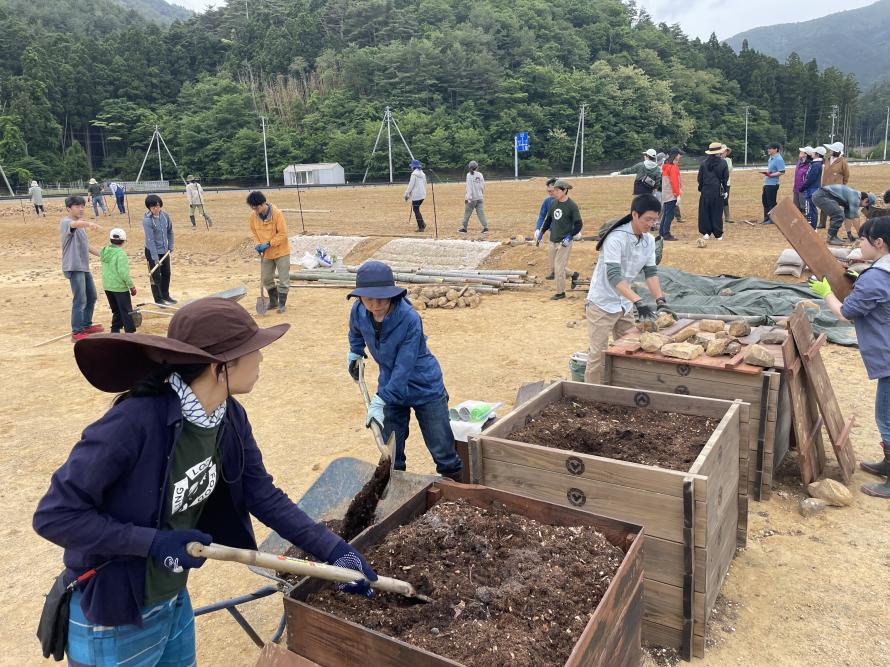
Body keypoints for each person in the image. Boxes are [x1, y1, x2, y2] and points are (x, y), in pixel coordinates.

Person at [33, 298, 378, 666]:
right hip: (116, 617)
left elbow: (262, 495)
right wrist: (154, 543)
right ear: (220, 366)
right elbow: (55, 516)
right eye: (253, 351)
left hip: (173, 601)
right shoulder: (133, 423)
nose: (260, 359)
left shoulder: (228, 417)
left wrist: (335, 552)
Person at [346, 261, 463, 480]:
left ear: (392, 294)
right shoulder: (359, 310)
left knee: (444, 452)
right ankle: (396, 494)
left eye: (381, 298)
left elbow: (404, 367)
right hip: (390, 386)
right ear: (360, 297)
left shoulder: (409, 318)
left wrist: (380, 400)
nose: (375, 305)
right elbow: (355, 331)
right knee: (392, 454)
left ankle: (458, 494)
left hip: (424, 387)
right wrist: (355, 352)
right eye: (369, 298)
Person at [808, 217, 890, 497]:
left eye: (862, 240)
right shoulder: (880, 272)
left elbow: (845, 313)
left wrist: (826, 293)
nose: (858, 245)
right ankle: (886, 465)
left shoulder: (878, 278)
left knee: (886, 417)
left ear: (878, 243)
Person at [583, 194, 668, 383]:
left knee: (629, 349)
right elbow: (613, 276)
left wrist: (660, 301)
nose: (652, 224)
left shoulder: (649, 241)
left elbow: (651, 273)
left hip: (624, 304)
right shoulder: (615, 238)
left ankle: (622, 390)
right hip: (602, 304)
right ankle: (590, 395)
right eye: (648, 219)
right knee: (598, 353)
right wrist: (638, 301)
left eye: (655, 219)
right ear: (635, 215)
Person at [61, 195, 104, 341]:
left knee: (91, 296)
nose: (81, 209)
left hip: (83, 266)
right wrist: (89, 224)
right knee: (80, 299)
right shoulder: (66, 222)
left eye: (83, 206)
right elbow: (73, 225)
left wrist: (103, 255)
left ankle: (86, 325)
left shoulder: (80, 225)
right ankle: (77, 331)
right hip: (74, 266)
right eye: (77, 206)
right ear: (68, 208)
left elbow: (87, 246)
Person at [537, 179, 583, 300]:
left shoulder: (572, 206)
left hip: (564, 241)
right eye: (554, 190)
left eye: (557, 190)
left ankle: (560, 292)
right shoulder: (553, 203)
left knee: (559, 268)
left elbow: (579, 224)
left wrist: (569, 236)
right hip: (553, 239)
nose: (554, 192)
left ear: (564, 191)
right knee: (553, 266)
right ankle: (574, 274)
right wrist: (541, 233)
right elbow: (548, 220)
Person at [247, 191, 291, 314]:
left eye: (256, 207)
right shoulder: (253, 216)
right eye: (252, 208)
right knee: (266, 278)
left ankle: (282, 304)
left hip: (281, 251)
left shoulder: (277, 214)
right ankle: (273, 301)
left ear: (263, 204)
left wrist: (269, 243)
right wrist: (257, 245)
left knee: (283, 279)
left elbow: (283, 234)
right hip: (266, 253)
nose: (255, 210)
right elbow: (254, 233)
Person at [100, 228, 138, 334]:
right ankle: (130, 333)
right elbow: (123, 273)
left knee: (116, 310)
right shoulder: (121, 254)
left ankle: (115, 330)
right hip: (120, 288)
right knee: (127, 311)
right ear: (124, 241)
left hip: (107, 286)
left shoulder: (104, 250)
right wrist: (131, 286)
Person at [811, 185, 876, 246]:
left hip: (821, 195)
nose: (861, 206)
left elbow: (848, 217)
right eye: (865, 205)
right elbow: (855, 218)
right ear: (866, 200)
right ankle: (831, 238)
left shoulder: (852, 198)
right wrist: (862, 236)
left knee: (840, 214)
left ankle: (833, 237)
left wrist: (849, 234)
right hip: (821, 196)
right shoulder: (855, 198)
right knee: (838, 214)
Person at [142, 194, 176, 305]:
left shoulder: (165, 216)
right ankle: (158, 299)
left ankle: (165, 295)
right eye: (153, 207)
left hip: (165, 251)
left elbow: (170, 231)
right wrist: (155, 257)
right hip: (152, 252)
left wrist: (170, 245)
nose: (156, 209)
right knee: (155, 276)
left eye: (158, 206)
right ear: (149, 208)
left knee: (167, 273)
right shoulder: (147, 221)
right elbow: (150, 240)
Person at [697, 141, 729, 241]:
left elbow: (700, 178)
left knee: (705, 211)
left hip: (706, 190)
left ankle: (706, 232)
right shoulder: (723, 162)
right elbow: (725, 178)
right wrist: (725, 190)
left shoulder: (703, 163)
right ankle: (718, 234)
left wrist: (701, 188)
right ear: (720, 152)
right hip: (717, 190)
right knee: (717, 212)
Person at [818, 141, 850, 229]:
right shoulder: (828, 159)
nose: (830, 151)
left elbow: (846, 175)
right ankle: (822, 223)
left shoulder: (843, 162)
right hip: (825, 186)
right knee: (823, 204)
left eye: (832, 150)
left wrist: (842, 185)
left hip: (836, 188)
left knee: (833, 206)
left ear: (837, 151)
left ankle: (833, 224)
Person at [458, 160, 488, 234]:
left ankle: (464, 228)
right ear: (477, 167)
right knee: (481, 213)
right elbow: (483, 186)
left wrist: (467, 198)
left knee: (467, 213)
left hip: (472, 199)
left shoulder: (469, 175)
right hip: (480, 197)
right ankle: (485, 227)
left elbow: (469, 188)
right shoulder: (480, 174)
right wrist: (481, 194)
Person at [659, 148, 681, 240]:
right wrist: (677, 194)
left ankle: (662, 232)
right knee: (670, 215)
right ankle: (666, 234)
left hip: (665, 192)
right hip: (671, 193)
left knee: (666, 214)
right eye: (679, 154)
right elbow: (674, 181)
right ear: (675, 155)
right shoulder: (673, 167)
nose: (680, 156)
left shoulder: (665, 165)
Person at [761, 143, 786, 224]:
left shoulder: (779, 159)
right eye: (768, 148)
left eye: (770, 148)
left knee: (771, 202)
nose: (768, 150)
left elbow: (782, 172)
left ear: (776, 149)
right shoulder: (771, 158)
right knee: (765, 201)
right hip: (767, 183)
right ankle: (766, 218)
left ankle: (773, 219)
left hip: (773, 184)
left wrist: (770, 175)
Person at [801, 146, 825, 229]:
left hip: (812, 189)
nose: (812, 153)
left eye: (814, 152)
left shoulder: (816, 165)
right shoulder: (817, 164)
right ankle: (812, 226)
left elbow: (810, 179)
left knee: (810, 209)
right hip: (813, 188)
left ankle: (811, 226)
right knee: (812, 208)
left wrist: (803, 187)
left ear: (817, 154)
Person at [403, 160, 427, 232]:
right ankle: (422, 224)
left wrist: (406, 194)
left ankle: (421, 227)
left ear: (413, 167)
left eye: (411, 166)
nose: (411, 167)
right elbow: (425, 183)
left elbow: (410, 186)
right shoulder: (423, 174)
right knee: (417, 209)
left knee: (416, 210)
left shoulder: (413, 174)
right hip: (422, 195)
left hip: (416, 196)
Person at [792, 147, 813, 216]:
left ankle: (805, 223)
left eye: (802, 151)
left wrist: (803, 186)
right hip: (796, 188)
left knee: (803, 207)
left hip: (803, 189)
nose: (800, 152)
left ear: (806, 154)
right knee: (795, 207)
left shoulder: (810, 164)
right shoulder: (799, 162)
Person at [721, 145, 734, 224]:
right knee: (718, 200)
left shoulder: (728, 160)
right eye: (723, 151)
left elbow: (729, 169)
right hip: (717, 183)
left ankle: (727, 217)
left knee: (725, 200)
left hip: (727, 183)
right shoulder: (716, 160)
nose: (724, 152)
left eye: (726, 151)